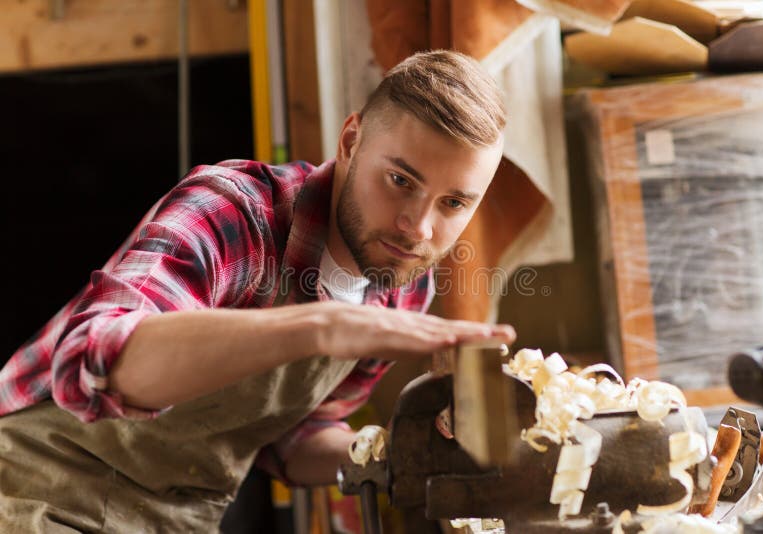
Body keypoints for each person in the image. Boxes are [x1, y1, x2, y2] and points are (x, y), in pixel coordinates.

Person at [0, 50, 515, 532]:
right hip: (31, 493)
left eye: (452, 203)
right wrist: (325, 326)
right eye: (401, 180)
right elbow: (91, 358)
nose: (418, 227)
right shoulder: (235, 213)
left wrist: (399, 454)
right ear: (352, 140)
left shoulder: (401, 283)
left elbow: (290, 440)